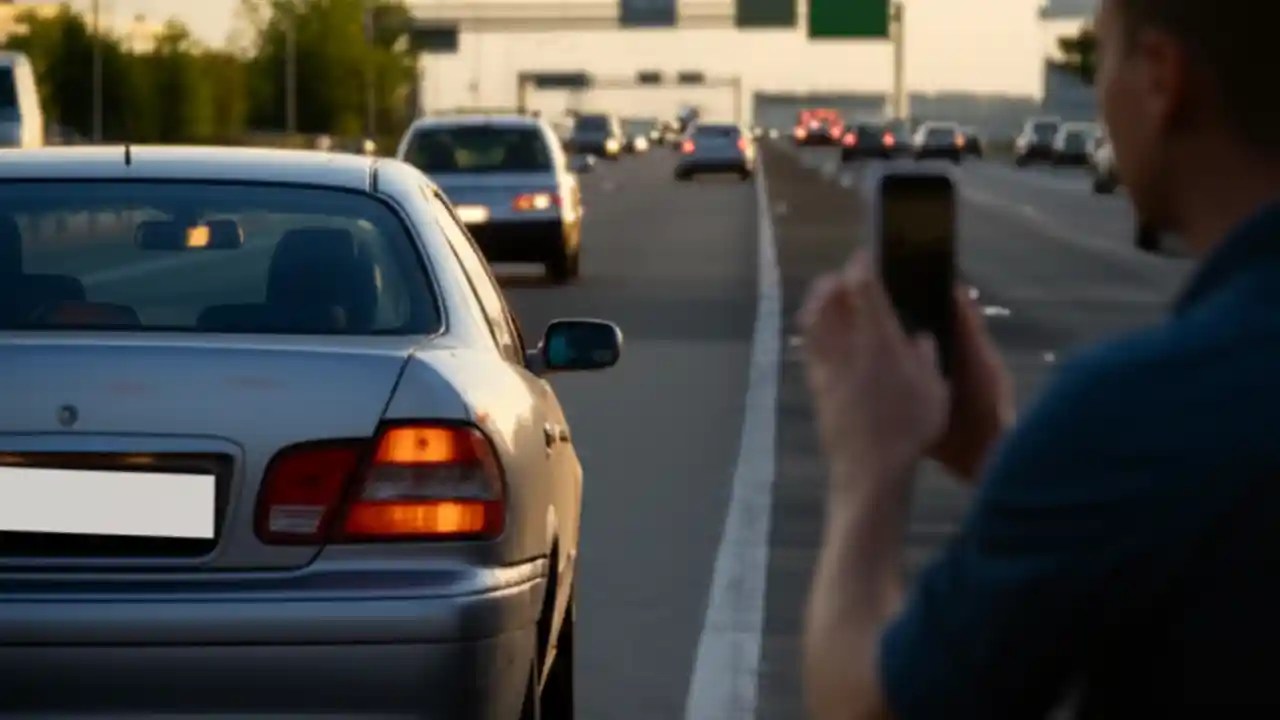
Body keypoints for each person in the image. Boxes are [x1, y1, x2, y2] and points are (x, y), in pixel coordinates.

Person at [799, 0, 1280, 717]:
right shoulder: (1137, 438)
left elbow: (871, 704)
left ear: (1159, 79)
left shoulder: (1139, 414)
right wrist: (1006, 458)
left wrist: (868, 468)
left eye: (1105, 60)